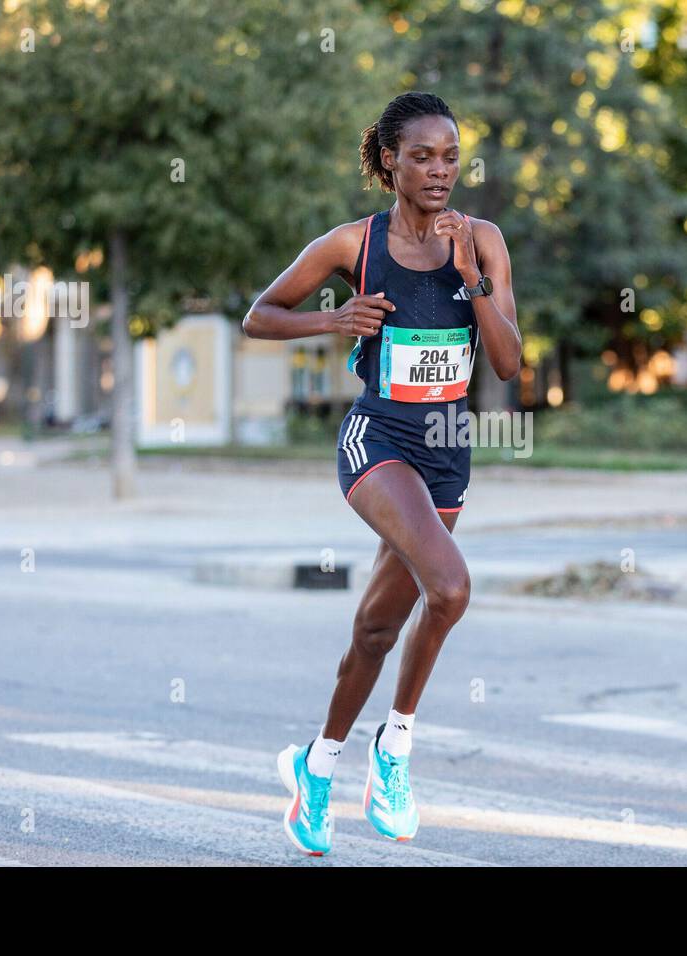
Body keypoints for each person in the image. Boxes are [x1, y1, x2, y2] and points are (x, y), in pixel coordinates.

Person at [242, 92, 521, 853]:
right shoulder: (351, 244)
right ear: (390, 159)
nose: (440, 171)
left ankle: (317, 764)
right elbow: (260, 314)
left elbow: (507, 360)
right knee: (452, 586)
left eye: (451, 157)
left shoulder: (483, 241)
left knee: (375, 627)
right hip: (377, 438)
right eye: (423, 156)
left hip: (447, 447)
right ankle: (395, 748)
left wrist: (473, 280)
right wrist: (333, 319)